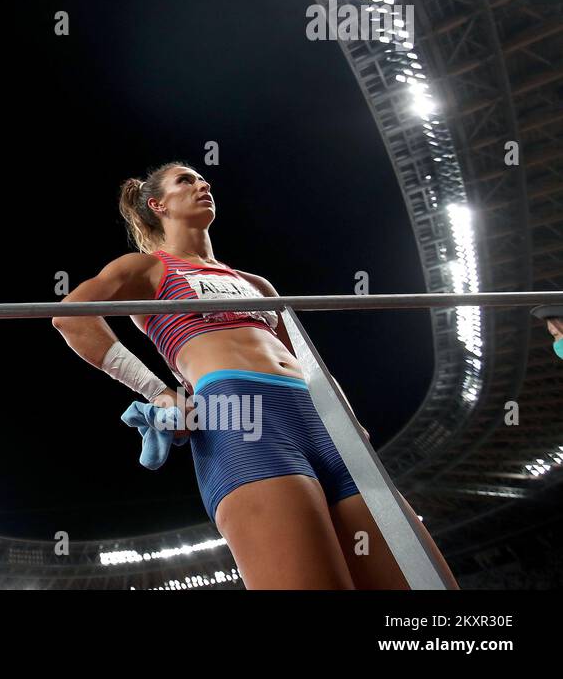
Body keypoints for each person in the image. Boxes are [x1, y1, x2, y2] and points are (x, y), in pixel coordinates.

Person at [52, 160, 459, 589]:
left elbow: (307, 360)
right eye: (185, 180)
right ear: (158, 205)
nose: (202, 183)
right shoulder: (145, 269)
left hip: (319, 420)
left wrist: (348, 420)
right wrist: (157, 391)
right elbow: (72, 318)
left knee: (422, 581)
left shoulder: (257, 284)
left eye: (202, 177)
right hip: (239, 415)